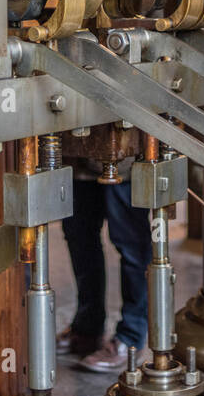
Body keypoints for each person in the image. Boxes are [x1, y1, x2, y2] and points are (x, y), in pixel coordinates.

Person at [57, 156, 151, 372]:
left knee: (132, 245)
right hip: (76, 158)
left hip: (124, 157)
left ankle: (131, 338)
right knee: (79, 237)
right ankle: (87, 328)